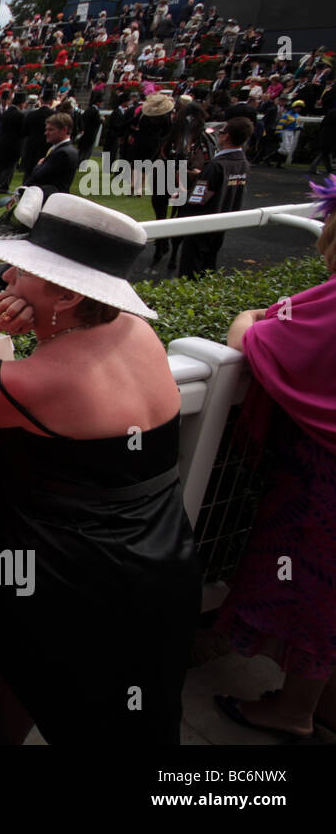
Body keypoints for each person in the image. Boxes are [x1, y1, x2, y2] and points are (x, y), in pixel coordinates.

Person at [0, 190, 200, 744]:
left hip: (72, 580)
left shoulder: (38, 383)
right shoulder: (136, 332)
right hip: (159, 560)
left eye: (23, 272)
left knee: (62, 699)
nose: (4, 279)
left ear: (68, 296)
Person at [211, 179, 336, 741]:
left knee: (317, 593)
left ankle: (294, 710)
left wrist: (245, 319)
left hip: (322, 484)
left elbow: (256, 338)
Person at [175, 116, 252, 278]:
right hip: (222, 222)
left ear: (227, 136)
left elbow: (198, 199)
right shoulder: (243, 162)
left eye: (222, 132)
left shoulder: (217, 165)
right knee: (208, 268)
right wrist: (202, 175)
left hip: (202, 223)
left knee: (190, 271)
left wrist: (182, 195)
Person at [22, 113, 80, 197]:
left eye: (51, 130)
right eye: (46, 129)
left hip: (49, 199)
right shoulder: (63, 150)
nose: (46, 133)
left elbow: (39, 176)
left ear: (64, 130)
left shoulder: (63, 153)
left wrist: (38, 165)